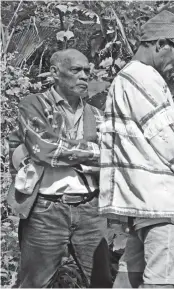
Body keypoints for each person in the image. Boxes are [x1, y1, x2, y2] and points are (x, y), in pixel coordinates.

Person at [100, 11, 174, 288]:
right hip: (162, 200)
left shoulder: (125, 78)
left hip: (140, 203)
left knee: (130, 277)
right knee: (162, 281)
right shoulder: (145, 78)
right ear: (161, 45)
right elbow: (165, 136)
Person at [10, 49, 111, 288]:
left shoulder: (95, 114)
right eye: (76, 70)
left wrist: (64, 151)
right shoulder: (33, 104)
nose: (84, 76)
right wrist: (93, 151)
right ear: (55, 73)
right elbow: (44, 147)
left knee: (102, 282)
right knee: (35, 283)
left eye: (87, 70)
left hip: (90, 209)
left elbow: (112, 156)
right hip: (46, 209)